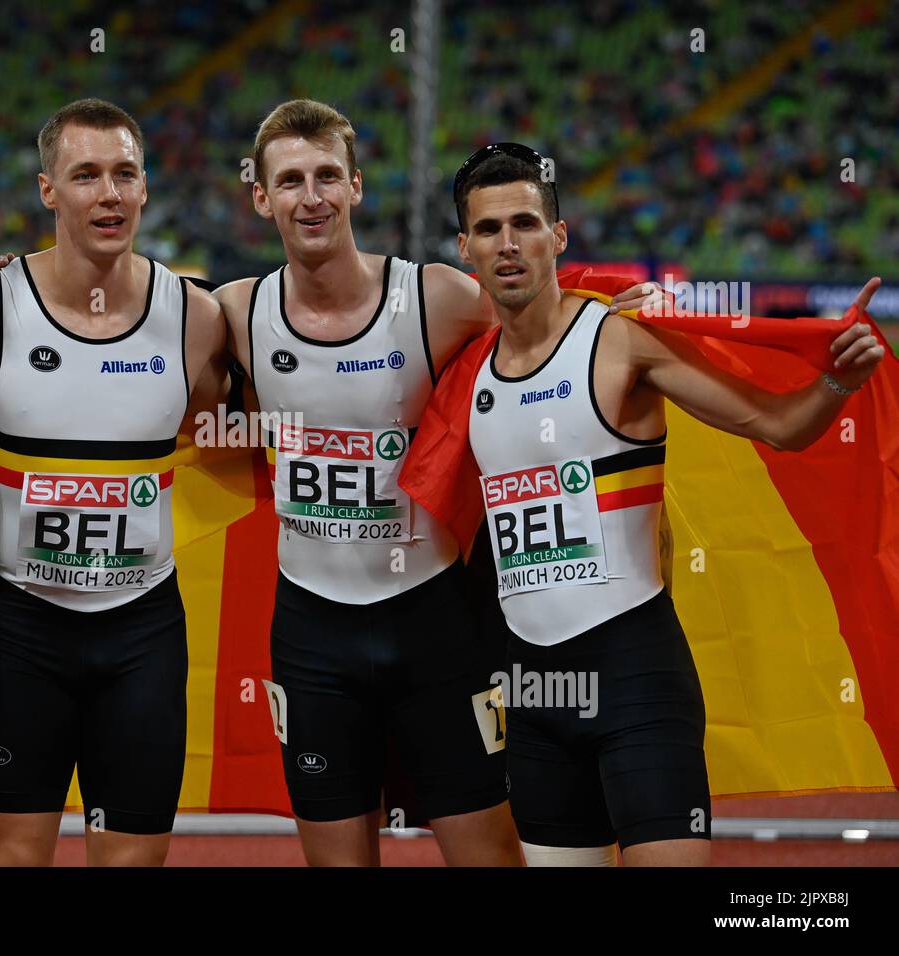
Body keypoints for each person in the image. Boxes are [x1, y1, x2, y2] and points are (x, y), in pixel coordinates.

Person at [214, 101, 651, 866]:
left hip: (433, 623)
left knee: (486, 855)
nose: (309, 197)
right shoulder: (236, 312)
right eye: (289, 181)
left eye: (326, 177)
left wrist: (622, 307)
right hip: (312, 633)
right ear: (260, 197)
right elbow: (129, 327)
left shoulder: (434, 299)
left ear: (354, 187)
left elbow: (539, 315)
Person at [432, 141, 885, 866]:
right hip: (532, 691)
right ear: (465, 247)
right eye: (488, 229)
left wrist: (833, 383)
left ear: (558, 235)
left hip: (635, 679)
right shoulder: (465, 372)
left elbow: (774, 426)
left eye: (524, 223)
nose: (507, 244)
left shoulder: (619, 342)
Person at [0, 98, 226, 866]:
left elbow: (227, 429)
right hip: (22, 630)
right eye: (86, 175)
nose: (108, 193)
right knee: (11, 859)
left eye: (125, 174)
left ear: (145, 188)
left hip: (142, 631)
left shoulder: (195, 317)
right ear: (47, 190)